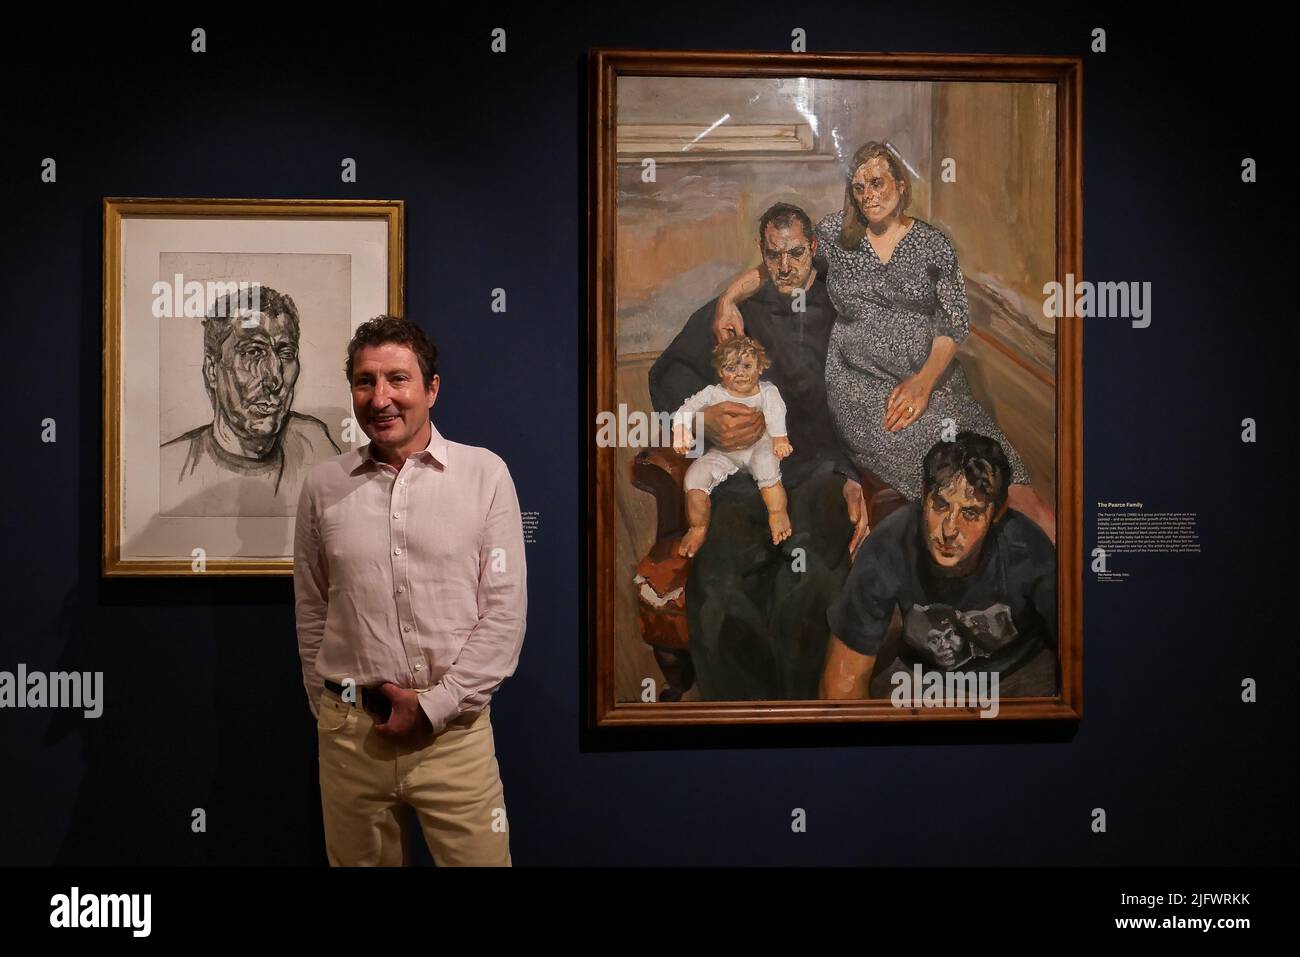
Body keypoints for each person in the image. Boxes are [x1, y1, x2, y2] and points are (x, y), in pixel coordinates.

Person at [714, 142, 1054, 538]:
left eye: (877, 183)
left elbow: (953, 322)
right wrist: (728, 299)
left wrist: (923, 384)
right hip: (861, 388)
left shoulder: (933, 244)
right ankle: (968, 553)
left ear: (901, 185)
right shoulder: (837, 236)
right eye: (858, 187)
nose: (868, 195)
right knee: (952, 474)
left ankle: (1059, 570)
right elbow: (778, 265)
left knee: (1003, 472)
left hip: (931, 382)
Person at [294, 315, 526, 866]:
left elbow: (504, 617)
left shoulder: (484, 476)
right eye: (364, 381)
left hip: (454, 739)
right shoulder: (323, 487)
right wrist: (334, 715)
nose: (380, 398)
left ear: (432, 388)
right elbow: (312, 610)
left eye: (397, 379)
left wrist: (432, 708)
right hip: (352, 740)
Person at [648, 203, 869, 701]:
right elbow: (667, 374)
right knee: (722, 584)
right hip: (743, 474)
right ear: (761, 256)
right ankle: (739, 723)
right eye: (774, 256)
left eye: (795, 253)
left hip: (819, 471)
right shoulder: (739, 311)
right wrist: (704, 421)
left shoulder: (846, 299)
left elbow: (870, 399)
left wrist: (854, 473)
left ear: (813, 248)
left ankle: (800, 722)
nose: (786, 267)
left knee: (809, 582)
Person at [821, 432, 1057, 700]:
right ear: (923, 495)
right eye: (941, 505)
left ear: (997, 513)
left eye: (970, 513)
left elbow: (1078, 655)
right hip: (922, 680)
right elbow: (843, 681)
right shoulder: (889, 544)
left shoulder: (1027, 548)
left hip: (1021, 675)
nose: (949, 529)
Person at [161, 285, 340, 516]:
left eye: (285, 354)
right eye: (253, 353)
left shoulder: (315, 444)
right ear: (212, 370)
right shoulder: (170, 469)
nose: (274, 378)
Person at [671, 336, 793, 554]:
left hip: (759, 446)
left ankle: (777, 513)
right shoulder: (713, 393)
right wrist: (681, 430)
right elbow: (686, 408)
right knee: (694, 478)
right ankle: (698, 527)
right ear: (720, 372)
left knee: (767, 465)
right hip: (725, 452)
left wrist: (780, 437)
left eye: (747, 366)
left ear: (760, 368)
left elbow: (776, 411)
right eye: (730, 367)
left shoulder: (767, 392)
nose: (740, 373)